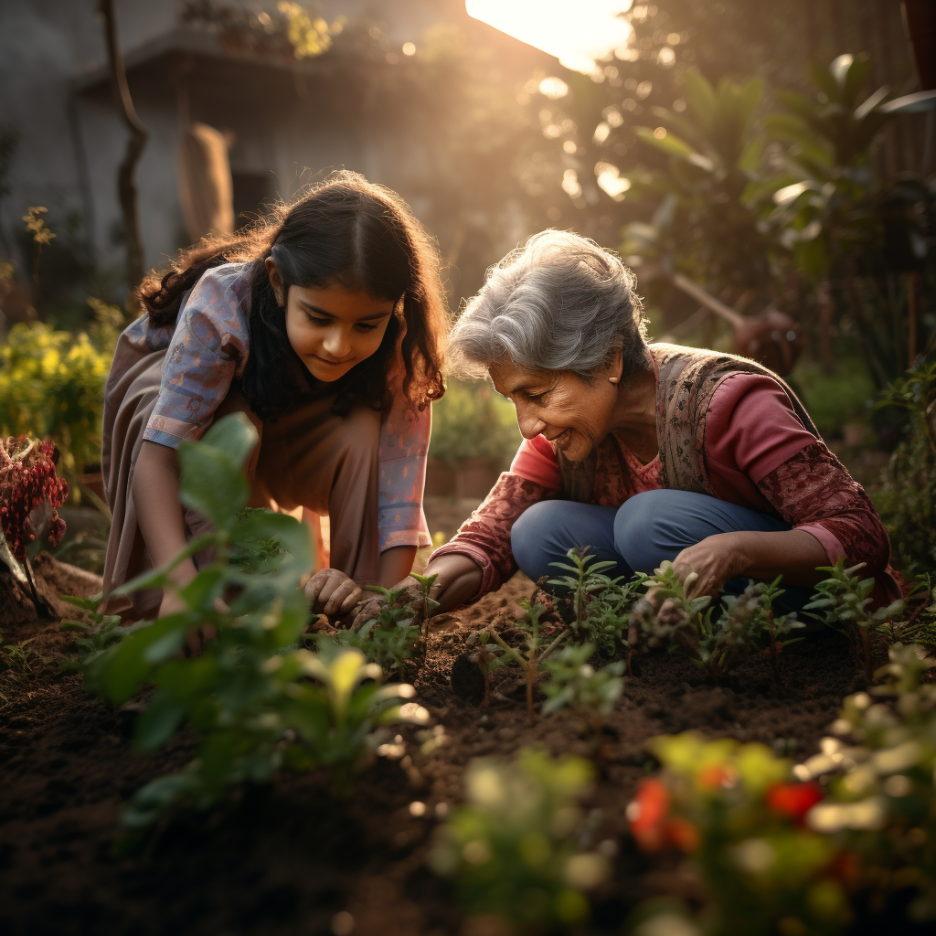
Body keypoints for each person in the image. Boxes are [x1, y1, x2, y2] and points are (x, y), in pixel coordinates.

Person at [385, 230, 896, 624]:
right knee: (537, 531)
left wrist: (735, 551)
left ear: (608, 359)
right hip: (691, 605)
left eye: (536, 395)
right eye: (513, 399)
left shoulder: (730, 402)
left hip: (812, 601)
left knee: (646, 523)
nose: (527, 425)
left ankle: (761, 639)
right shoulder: (568, 432)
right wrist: (420, 594)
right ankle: (649, 633)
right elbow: (494, 530)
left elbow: (861, 535)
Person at [101, 171, 449, 628]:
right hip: (174, 414)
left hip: (286, 418)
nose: (337, 345)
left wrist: (382, 600)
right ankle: (195, 605)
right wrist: (182, 586)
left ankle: (349, 602)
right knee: (232, 418)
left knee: (366, 425)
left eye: (366, 325)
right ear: (279, 282)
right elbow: (158, 460)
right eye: (318, 318)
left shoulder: (402, 349)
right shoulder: (223, 306)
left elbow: (399, 493)